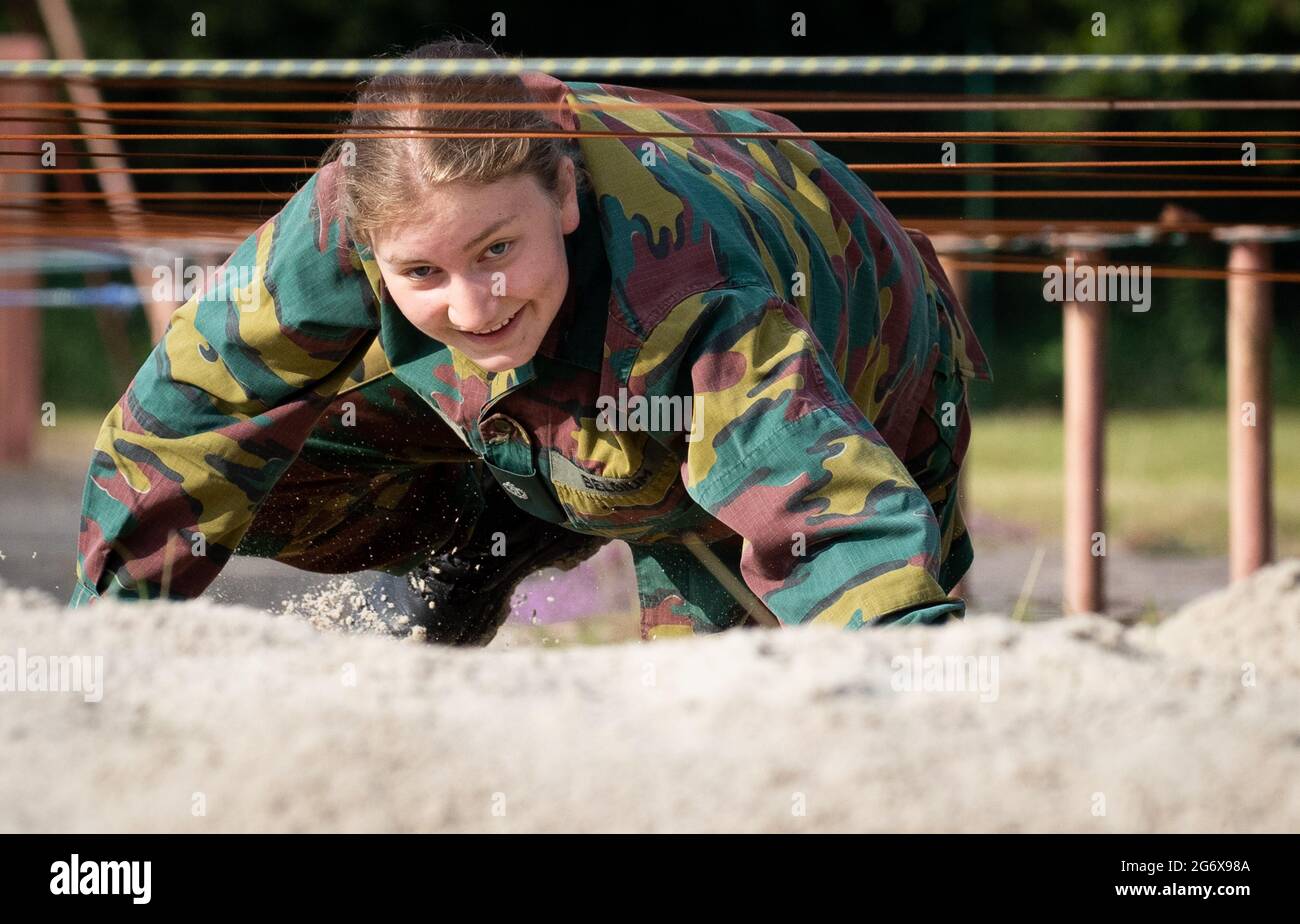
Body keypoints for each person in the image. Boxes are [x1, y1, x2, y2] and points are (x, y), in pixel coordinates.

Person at [68, 37, 991, 644]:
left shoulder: (692, 296)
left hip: (855, 359)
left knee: (732, 716)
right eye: (423, 273)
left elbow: (836, 521)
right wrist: (106, 649)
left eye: (496, 251)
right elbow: (175, 427)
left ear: (564, 193)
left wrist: (909, 668)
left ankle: (571, 508)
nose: (473, 306)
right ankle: (486, 542)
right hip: (543, 409)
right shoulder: (340, 227)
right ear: (365, 242)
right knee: (241, 470)